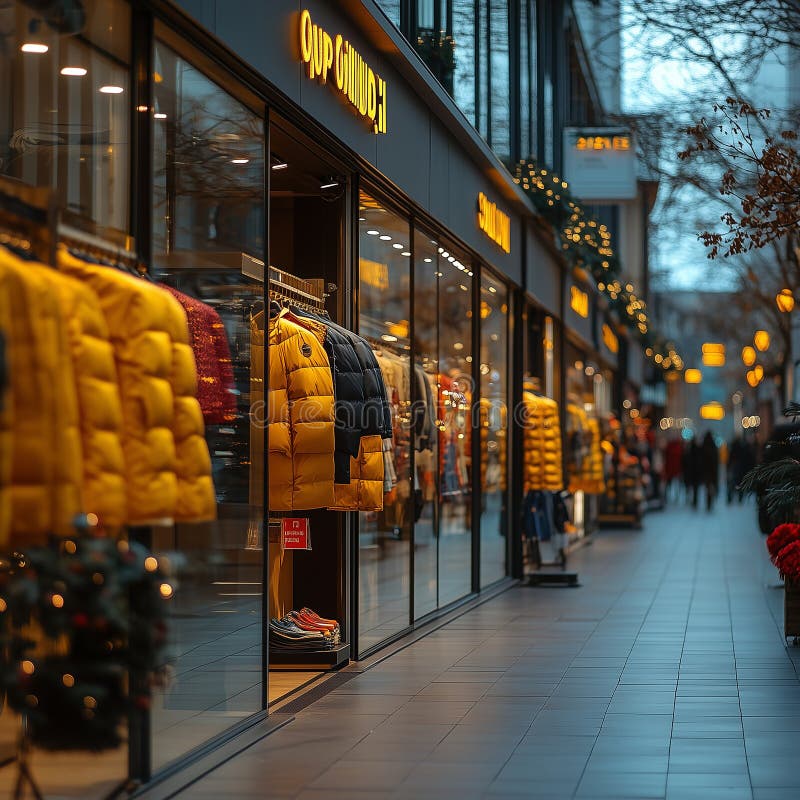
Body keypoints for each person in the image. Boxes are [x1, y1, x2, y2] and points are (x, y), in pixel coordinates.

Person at [699, 431, 719, 511]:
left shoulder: (703, 446)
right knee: (710, 488)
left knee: (707, 488)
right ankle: (710, 503)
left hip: (705, 472)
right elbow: (715, 460)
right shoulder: (713, 446)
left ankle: (708, 503)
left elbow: (700, 460)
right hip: (712, 471)